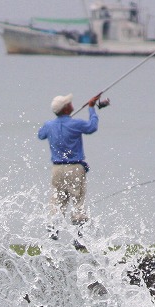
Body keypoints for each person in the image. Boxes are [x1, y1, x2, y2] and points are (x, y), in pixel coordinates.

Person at [38, 93, 109, 238]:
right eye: (68, 103)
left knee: (58, 200)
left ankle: (53, 232)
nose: (71, 104)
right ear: (66, 109)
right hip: (75, 167)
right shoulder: (76, 124)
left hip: (57, 168)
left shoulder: (49, 125)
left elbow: (41, 135)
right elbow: (92, 127)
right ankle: (78, 237)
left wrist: (55, 126)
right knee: (78, 200)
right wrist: (91, 108)